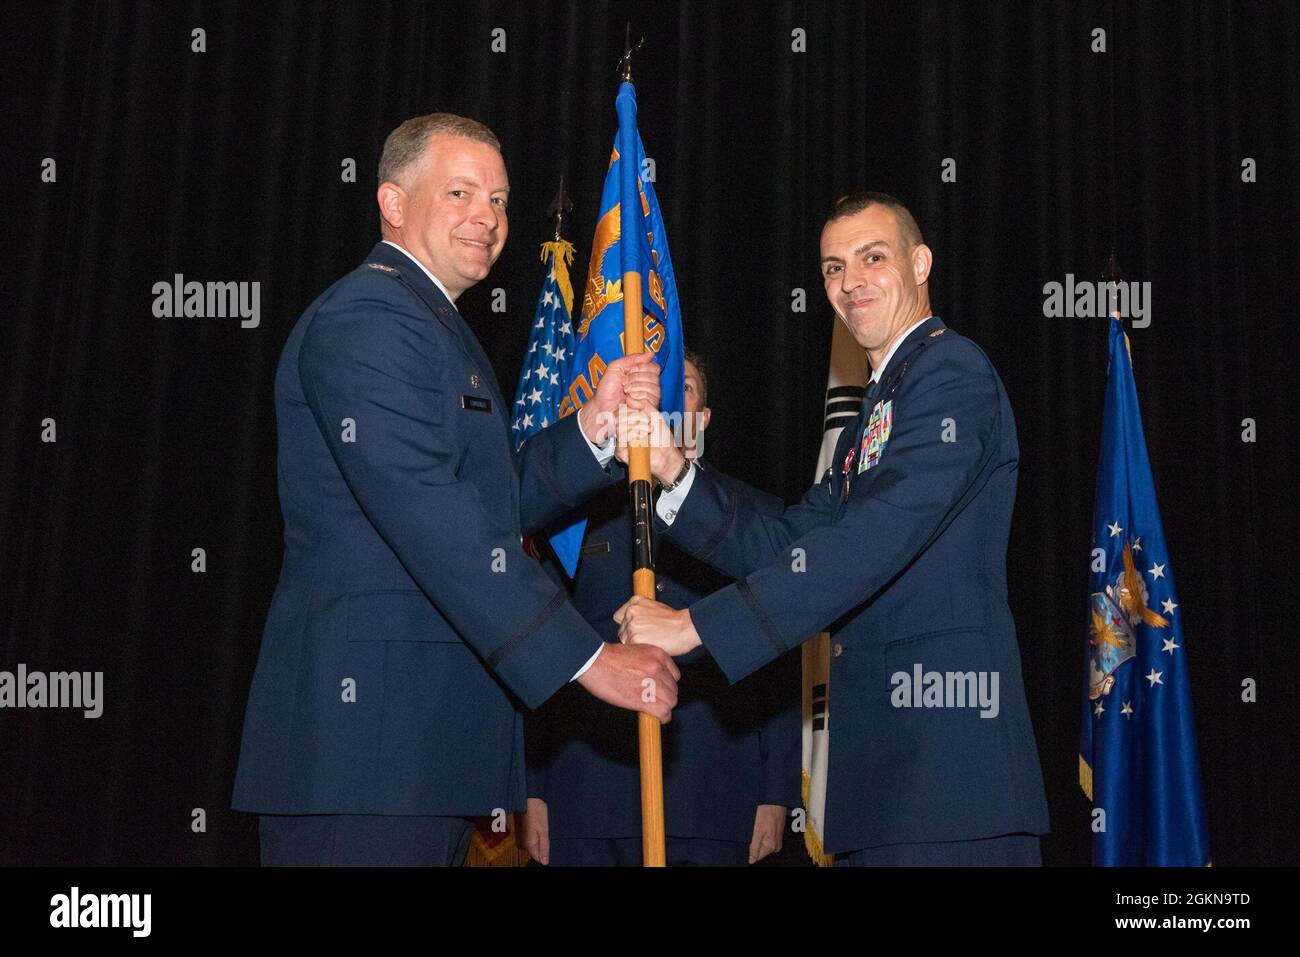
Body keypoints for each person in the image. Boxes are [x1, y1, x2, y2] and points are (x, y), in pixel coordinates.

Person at [231, 113, 679, 866]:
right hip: (364, 751)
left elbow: (488, 502)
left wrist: (592, 430)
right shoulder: (369, 315)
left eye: (501, 200)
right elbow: (431, 515)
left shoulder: (432, 322)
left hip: (418, 753)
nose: (488, 218)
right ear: (393, 203)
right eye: (462, 192)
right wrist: (590, 659)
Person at [616, 192, 1050, 866]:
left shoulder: (951, 373)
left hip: (949, 783)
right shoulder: (872, 414)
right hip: (880, 786)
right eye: (832, 268)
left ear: (921, 262)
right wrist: (675, 472)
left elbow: (875, 538)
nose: (850, 282)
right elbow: (790, 543)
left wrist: (696, 627)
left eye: (872, 258)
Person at [521, 353, 800, 867]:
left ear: (705, 417)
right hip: (584, 792)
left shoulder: (757, 519)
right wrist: (532, 786)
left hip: (714, 792)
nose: (671, 399)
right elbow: (539, 636)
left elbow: (779, 658)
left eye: (686, 387)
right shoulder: (570, 522)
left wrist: (777, 791)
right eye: (661, 386)